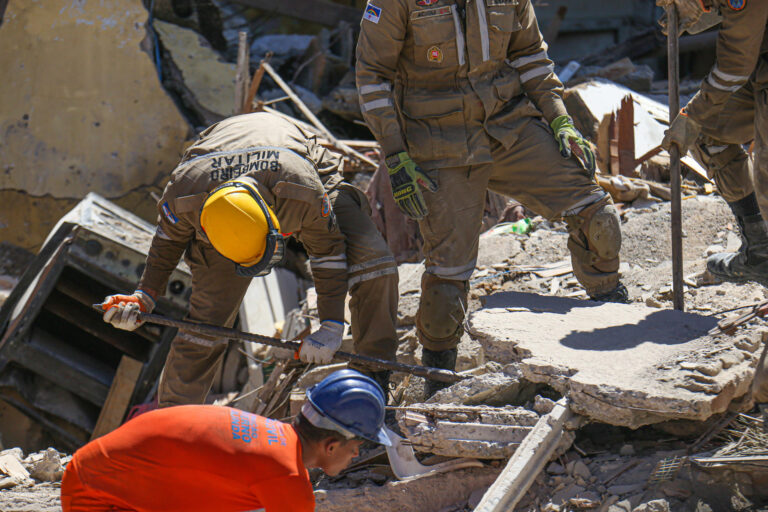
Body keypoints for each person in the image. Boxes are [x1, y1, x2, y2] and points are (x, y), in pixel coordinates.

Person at [356, 0, 627, 394]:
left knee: (598, 217)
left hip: (509, 126)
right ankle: (438, 382)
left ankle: (612, 316)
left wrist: (559, 117)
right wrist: (396, 154)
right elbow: (372, 77)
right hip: (438, 140)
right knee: (446, 289)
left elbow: (530, 55)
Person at [100, 112, 398, 405]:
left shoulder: (302, 190)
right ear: (205, 228)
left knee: (374, 264)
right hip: (216, 164)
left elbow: (328, 252)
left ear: (275, 220)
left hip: (296, 159)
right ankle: (170, 424)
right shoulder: (182, 198)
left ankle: (374, 381)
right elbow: (165, 245)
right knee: (206, 325)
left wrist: (331, 325)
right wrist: (143, 297)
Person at [61, 369, 390, 512]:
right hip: (95, 500)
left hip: (90, 476)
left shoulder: (275, 442)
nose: (358, 452)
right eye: (357, 444)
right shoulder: (287, 479)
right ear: (331, 445)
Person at [660, 0, 768, 286]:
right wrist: (703, 12)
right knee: (708, 131)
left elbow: (734, 67)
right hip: (761, 66)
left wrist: (692, 115)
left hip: (753, 67)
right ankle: (761, 252)